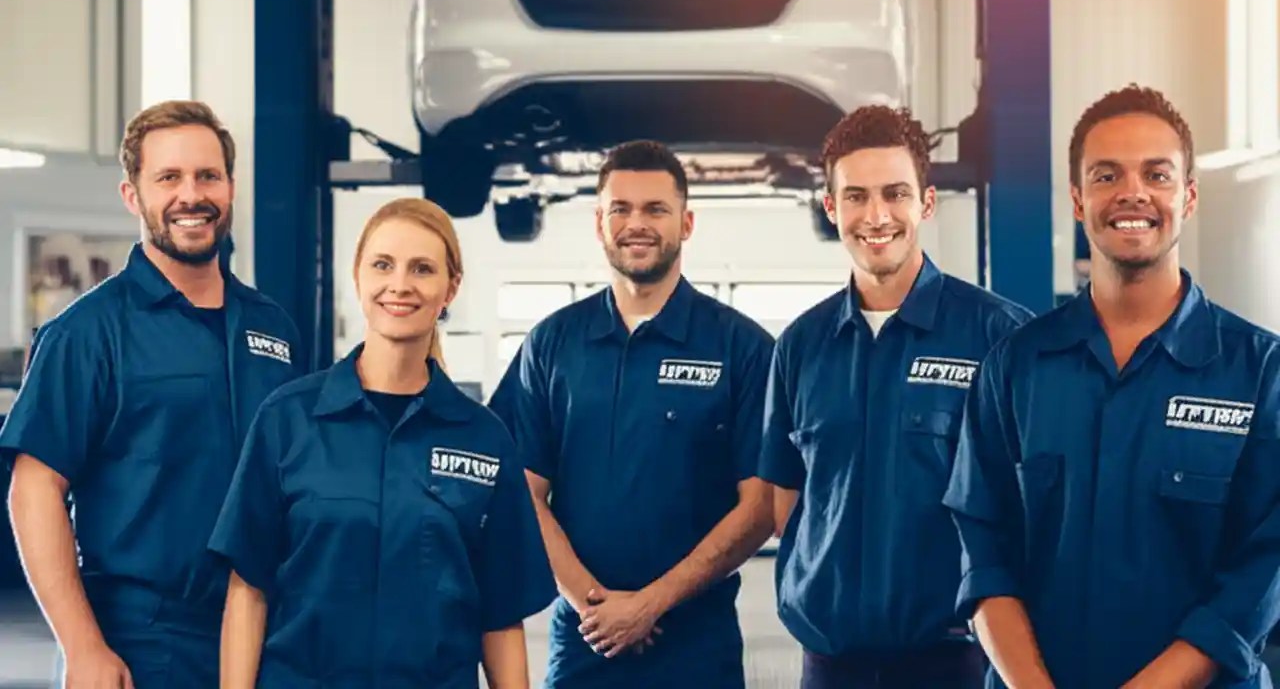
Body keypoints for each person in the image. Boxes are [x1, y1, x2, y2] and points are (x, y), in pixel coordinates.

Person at [944, 84, 1280, 688]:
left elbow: (1265, 571)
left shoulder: (1260, 373)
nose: (1133, 193)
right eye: (1106, 176)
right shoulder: (1013, 368)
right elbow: (983, 553)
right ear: (1077, 200)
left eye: (1157, 174)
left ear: (1189, 196)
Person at [0, 100, 303, 688]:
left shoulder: (273, 329)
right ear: (133, 195)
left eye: (207, 176)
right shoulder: (88, 332)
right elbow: (34, 489)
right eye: (169, 178)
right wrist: (83, 647)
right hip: (142, 639)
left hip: (268, 633)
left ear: (231, 187)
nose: (192, 195)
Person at [209, 198, 557, 687]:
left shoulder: (484, 440)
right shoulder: (288, 420)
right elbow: (248, 591)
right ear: (358, 277)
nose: (400, 285)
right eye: (383, 265)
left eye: (422, 269)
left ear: (450, 287)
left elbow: (500, 618)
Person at [757, 105, 1033, 689]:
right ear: (830, 208)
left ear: (925, 204)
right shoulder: (800, 346)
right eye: (855, 196)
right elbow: (788, 502)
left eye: (895, 193)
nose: (875, 215)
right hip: (831, 664)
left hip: (956, 659)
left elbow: (1031, 504)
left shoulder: (999, 337)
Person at [493, 140, 776, 688]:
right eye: (619, 209)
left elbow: (761, 505)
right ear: (599, 222)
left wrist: (652, 603)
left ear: (686, 223)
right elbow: (521, 490)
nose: (636, 224)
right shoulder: (552, 343)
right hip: (584, 644)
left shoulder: (741, 348)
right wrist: (596, 606)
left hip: (699, 647)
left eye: (655, 209)